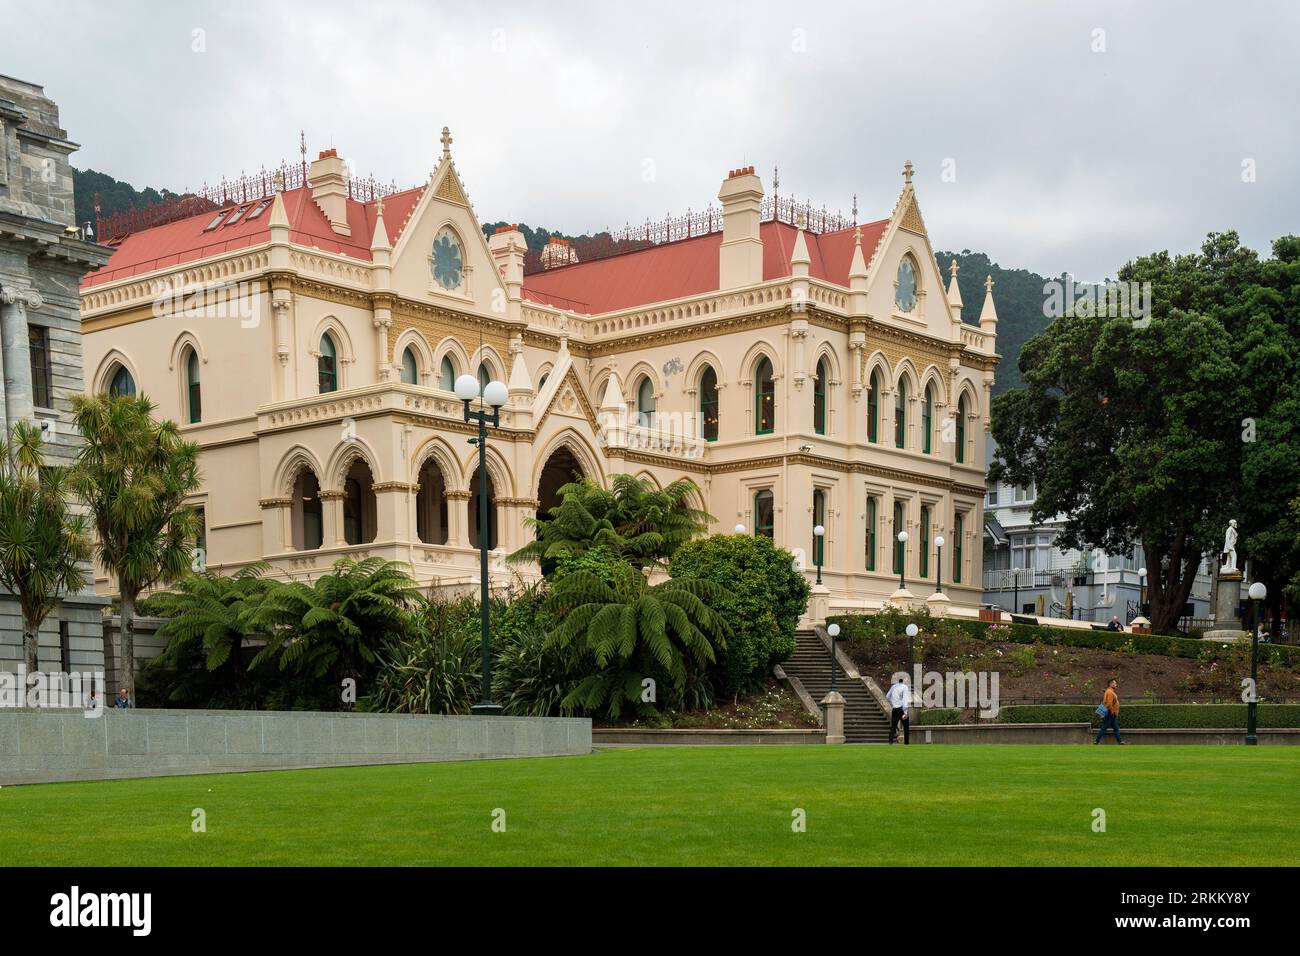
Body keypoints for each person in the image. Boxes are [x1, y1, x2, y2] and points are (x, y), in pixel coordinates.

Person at [1094, 678, 1123, 744]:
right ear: (1111, 684)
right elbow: (1109, 704)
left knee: (1115, 728)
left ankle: (1120, 741)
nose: (1116, 685)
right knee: (1105, 728)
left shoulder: (1110, 691)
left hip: (1112, 713)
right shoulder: (1110, 692)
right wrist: (1111, 712)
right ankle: (1096, 741)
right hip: (1111, 713)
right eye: (1115, 683)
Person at [886, 676, 911, 745]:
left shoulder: (893, 687)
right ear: (904, 681)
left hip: (894, 709)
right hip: (901, 709)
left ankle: (890, 742)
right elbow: (905, 700)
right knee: (906, 726)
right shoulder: (905, 687)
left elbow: (887, 697)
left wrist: (893, 703)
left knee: (893, 726)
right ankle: (906, 743)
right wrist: (905, 712)